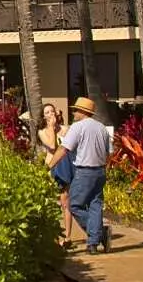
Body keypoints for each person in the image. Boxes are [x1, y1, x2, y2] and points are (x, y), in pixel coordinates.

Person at [47, 97, 113, 253]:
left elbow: (64, 149)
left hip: (85, 171)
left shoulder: (78, 127)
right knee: (95, 205)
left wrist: (50, 165)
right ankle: (93, 244)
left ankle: (98, 233)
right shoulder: (102, 128)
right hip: (100, 171)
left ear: (83, 112)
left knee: (74, 205)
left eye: (76, 110)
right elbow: (109, 153)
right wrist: (104, 167)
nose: (73, 113)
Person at [36, 103, 78, 246]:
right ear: (44, 116)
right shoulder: (42, 132)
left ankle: (67, 237)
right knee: (52, 203)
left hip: (65, 168)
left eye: (52, 111)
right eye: (47, 112)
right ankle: (53, 237)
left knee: (66, 202)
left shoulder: (65, 130)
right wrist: (52, 129)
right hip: (51, 169)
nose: (50, 114)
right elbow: (53, 146)